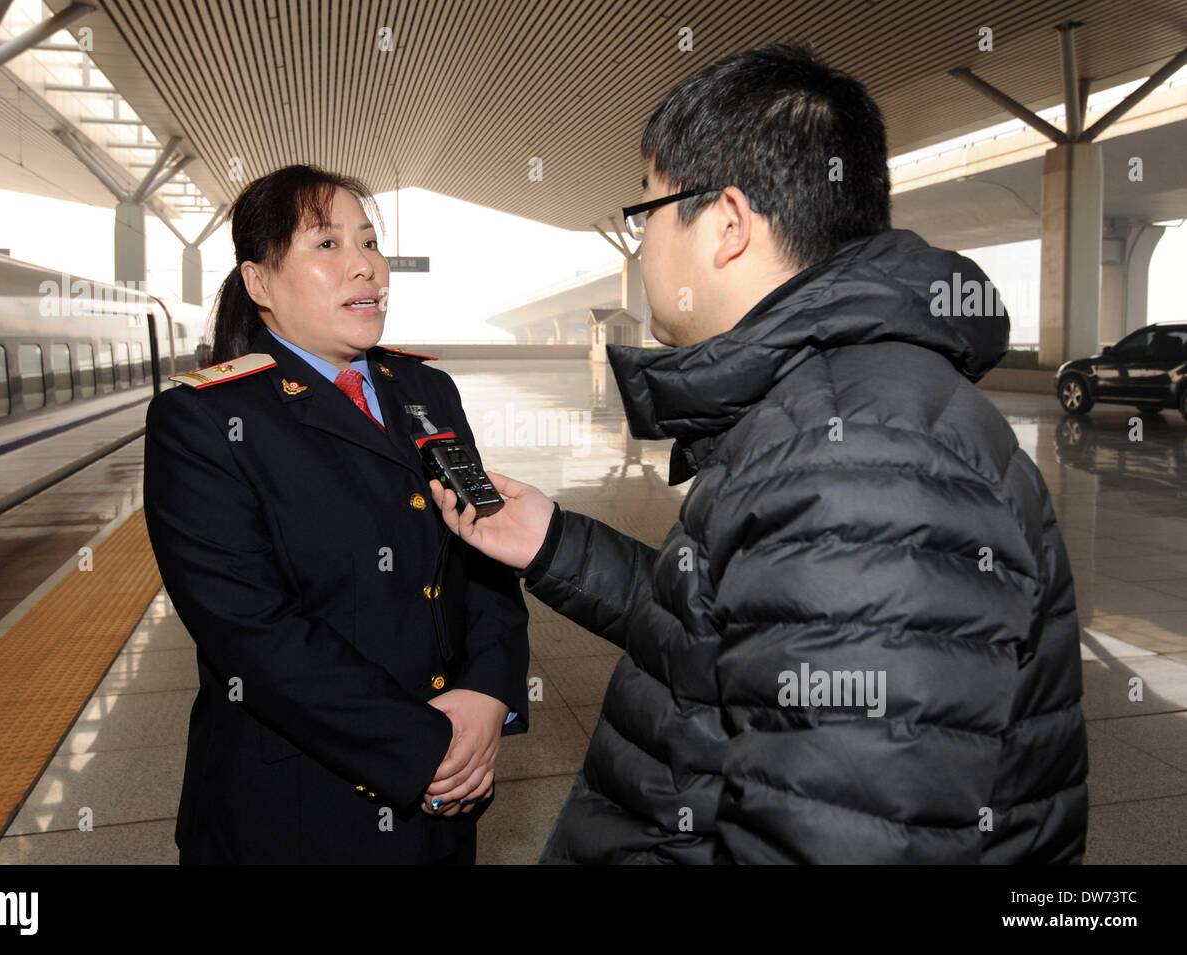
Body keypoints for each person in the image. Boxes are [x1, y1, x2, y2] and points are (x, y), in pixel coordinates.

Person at [430, 44, 1088, 864]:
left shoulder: (859, 461)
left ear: (728, 225)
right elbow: (741, 644)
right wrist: (557, 543)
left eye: (646, 213)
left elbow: (844, 837)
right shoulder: (835, 410)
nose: (639, 248)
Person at [143, 164, 529, 864]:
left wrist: (485, 695)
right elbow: (253, 634)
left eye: (370, 243)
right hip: (295, 814)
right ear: (260, 282)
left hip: (444, 806)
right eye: (327, 245)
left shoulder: (425, 389)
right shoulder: (204, 419)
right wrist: (426, 747)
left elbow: (487, 560)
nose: (367, 268)